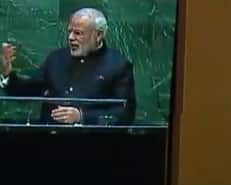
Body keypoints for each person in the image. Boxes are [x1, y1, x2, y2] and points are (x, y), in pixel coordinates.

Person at [0, 8, 136, 125]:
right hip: (48, 140)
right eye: (70, 31)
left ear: (99, 35)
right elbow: (28, 91)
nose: (71, 37)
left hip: (93, 144)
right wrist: (7, 74)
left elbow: (125, 113)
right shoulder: (56, 59)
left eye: (78, 33)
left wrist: (82, 116)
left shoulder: (118, 65)